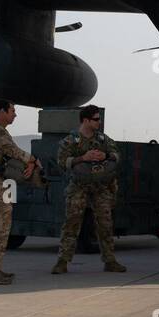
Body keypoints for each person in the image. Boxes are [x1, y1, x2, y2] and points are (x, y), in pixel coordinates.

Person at [51, 105, 126, 274]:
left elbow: (117, 155)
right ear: (86, 120)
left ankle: (110, 261)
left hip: (101, 187)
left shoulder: (103, 140)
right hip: (78, 186)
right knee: (72, 223)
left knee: (105, 225)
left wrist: (105, 156)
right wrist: (82, 158)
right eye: (96, 119)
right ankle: (62, 262)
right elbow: (62, 162)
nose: (99, 122)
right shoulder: (70, 141)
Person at [0, 100, 39, 285]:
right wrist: (32, 159)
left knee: (3, 221)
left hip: (3, 182)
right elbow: (11, 150)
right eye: (12, 110)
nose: (15, 114)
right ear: (2, 112)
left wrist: (28, 163)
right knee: (0, 224)